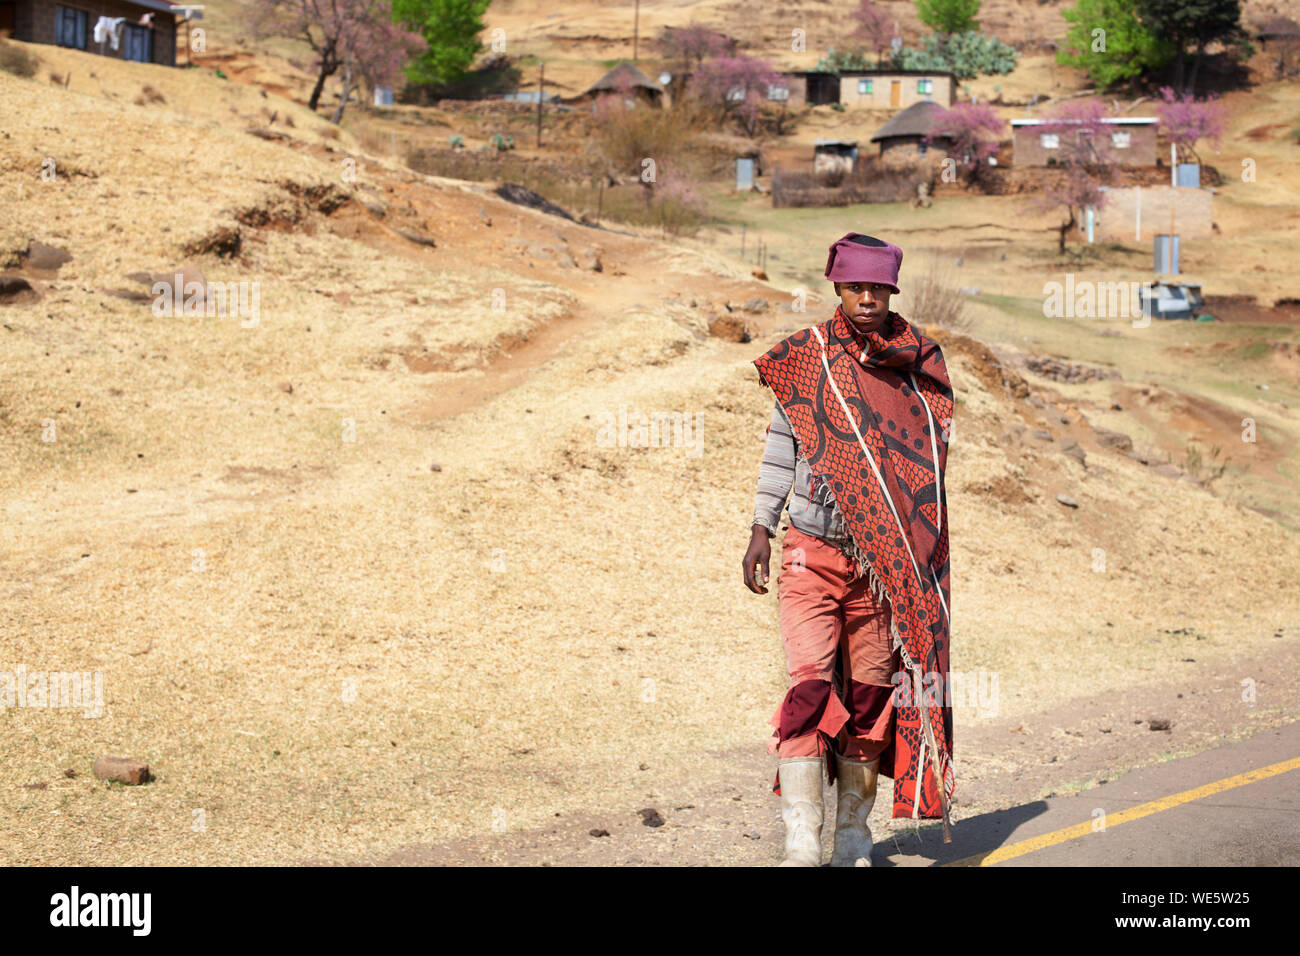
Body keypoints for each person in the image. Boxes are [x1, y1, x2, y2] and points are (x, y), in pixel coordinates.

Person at [743, 233, 957, 866]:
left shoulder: (917, 368)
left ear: (892, 291)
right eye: (855, 288)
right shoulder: (809, 361)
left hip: (884, 573)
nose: (866, 299)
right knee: (808, 690)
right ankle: (801, 845)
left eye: (877, 289)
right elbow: (781, 447)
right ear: (837, 288)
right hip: (810, 551)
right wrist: (762, 525)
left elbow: (925, 471)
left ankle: (852, 839)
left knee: (868, 698)